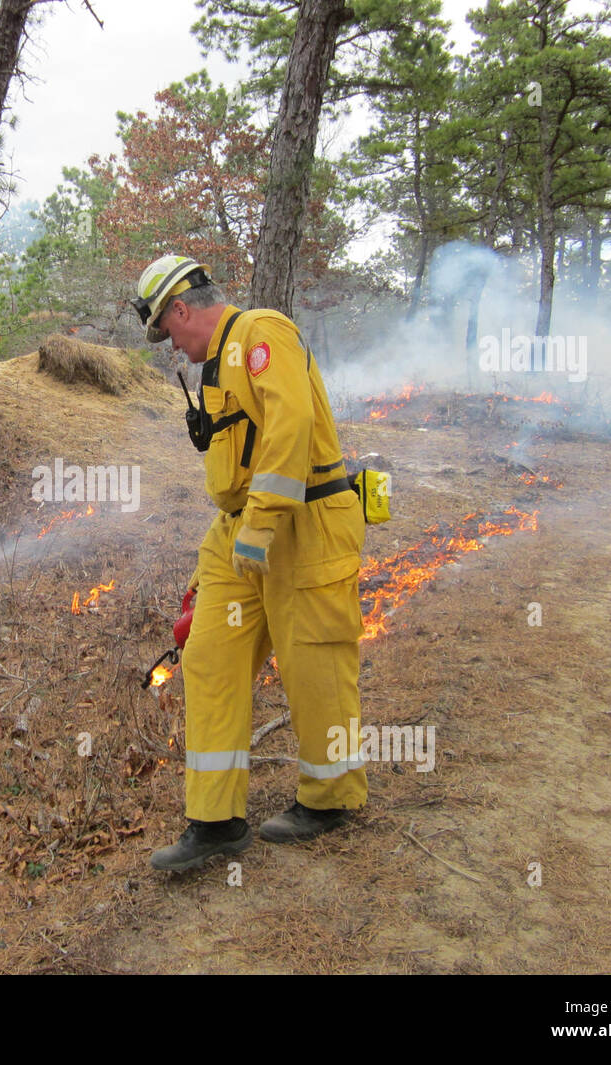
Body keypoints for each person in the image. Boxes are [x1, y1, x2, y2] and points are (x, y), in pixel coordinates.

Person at [133, 254, 367, 872]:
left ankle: (331, 797)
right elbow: (234, 470)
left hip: (305, 526)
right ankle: (215, 821)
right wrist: (221, 550)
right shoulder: (212, 370)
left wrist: (260, 527)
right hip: (241, 535)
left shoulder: (263, 334)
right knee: (209, 654)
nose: (172, 347)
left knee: (313, 661)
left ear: (182, 309)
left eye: (168, 331)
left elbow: (290, 429)